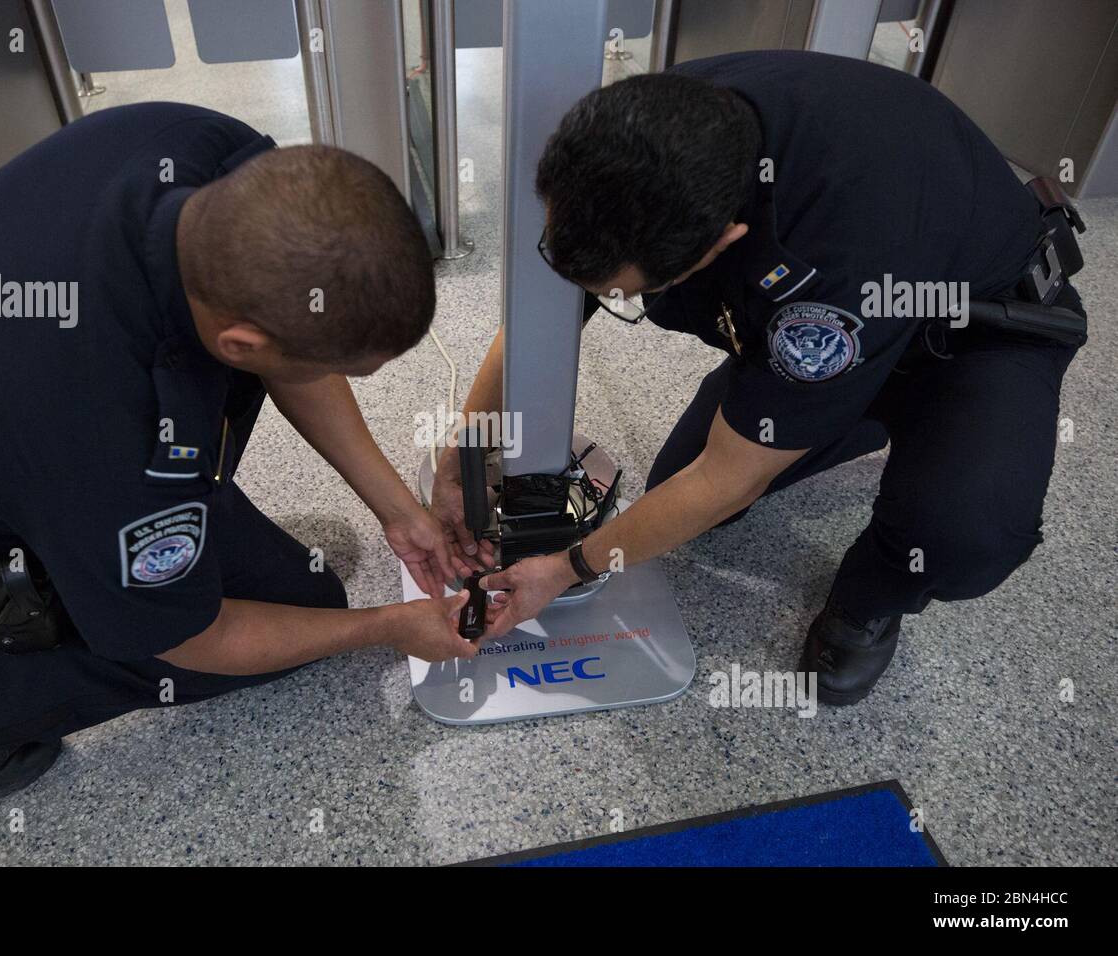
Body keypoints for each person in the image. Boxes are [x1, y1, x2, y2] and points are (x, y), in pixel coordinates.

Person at [0, 102, 483, 801]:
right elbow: (193, 640)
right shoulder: (103, 438)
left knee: (301, 597)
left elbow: (295, 345)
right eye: (329, 366)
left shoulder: (213, 157)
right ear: (241, 345)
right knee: (264, 625)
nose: (334, 378)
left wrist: (399, 511)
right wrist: (388, 626)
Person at [432, 51, 1085, 706]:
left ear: (722, 243)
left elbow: (726, 478)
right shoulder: (640, 133)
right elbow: (547, 318)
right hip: (857, 292)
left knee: (964, 531)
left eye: (625, 295)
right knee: (676, 492)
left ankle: (871, 596)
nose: (606, 298)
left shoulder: (821, 276)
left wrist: (569, 566)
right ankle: (834, 415)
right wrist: (461, 457)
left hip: (970, 333)